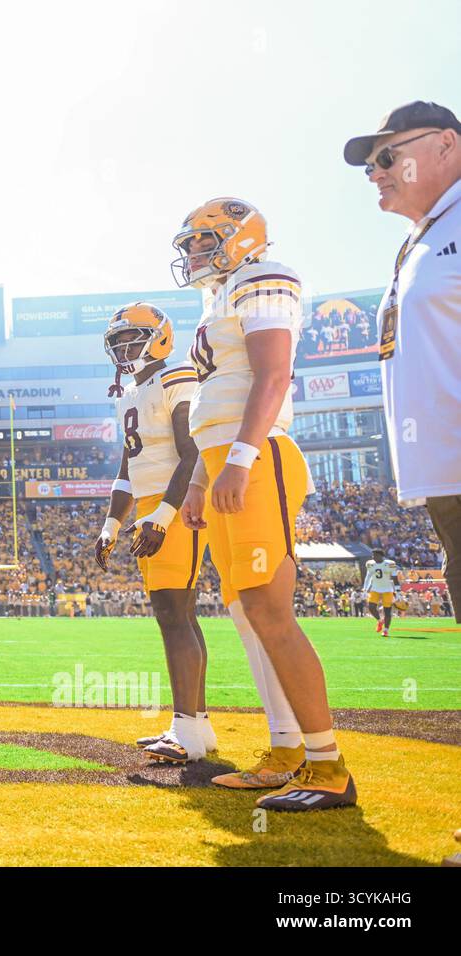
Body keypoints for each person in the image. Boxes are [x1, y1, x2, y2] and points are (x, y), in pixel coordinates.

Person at [176, 198, 356, 811]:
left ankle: (328, 767)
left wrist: (241, 460)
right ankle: (285, 750)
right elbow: (220, 400)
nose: (194, 254)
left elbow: (273, 375)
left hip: (258, 458)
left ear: (239, 239)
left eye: (203, 242)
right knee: (249, 616)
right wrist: (203, 477)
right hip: (227, 456)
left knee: (270, 612)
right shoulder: (221, 295)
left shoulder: (262, 277)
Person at [344, 102, 461, 623]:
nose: (375, 173)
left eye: (387, 156)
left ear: (446, 144)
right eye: (371, 165)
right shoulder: (426, 237)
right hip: (446, 482)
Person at [94, 303, 214, 764]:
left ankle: (185, 729)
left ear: (159, 336)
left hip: (175, 505)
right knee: (179, 612)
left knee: (173, 613)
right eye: (118, 342)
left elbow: (191, 452)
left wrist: (163, 516)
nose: (125, 348)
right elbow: (128, 467)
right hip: (150, 505)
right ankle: (196, 728)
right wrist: (111, 525)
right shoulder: (133, 391)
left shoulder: (176, 375)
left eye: (133, 338)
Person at [361, 547, 402, 637]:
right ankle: (380, 620)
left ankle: (386, 630)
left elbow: (395, 579)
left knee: (387, 611)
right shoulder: (370, 564)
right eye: (372, 555)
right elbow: (368, 577)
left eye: (374, 555)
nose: (373, 557)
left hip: (387, 589)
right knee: (371, 607)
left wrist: (398, 592)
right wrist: (365, 589)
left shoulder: (390, 564)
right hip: (375, 588)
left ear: (381, 556)